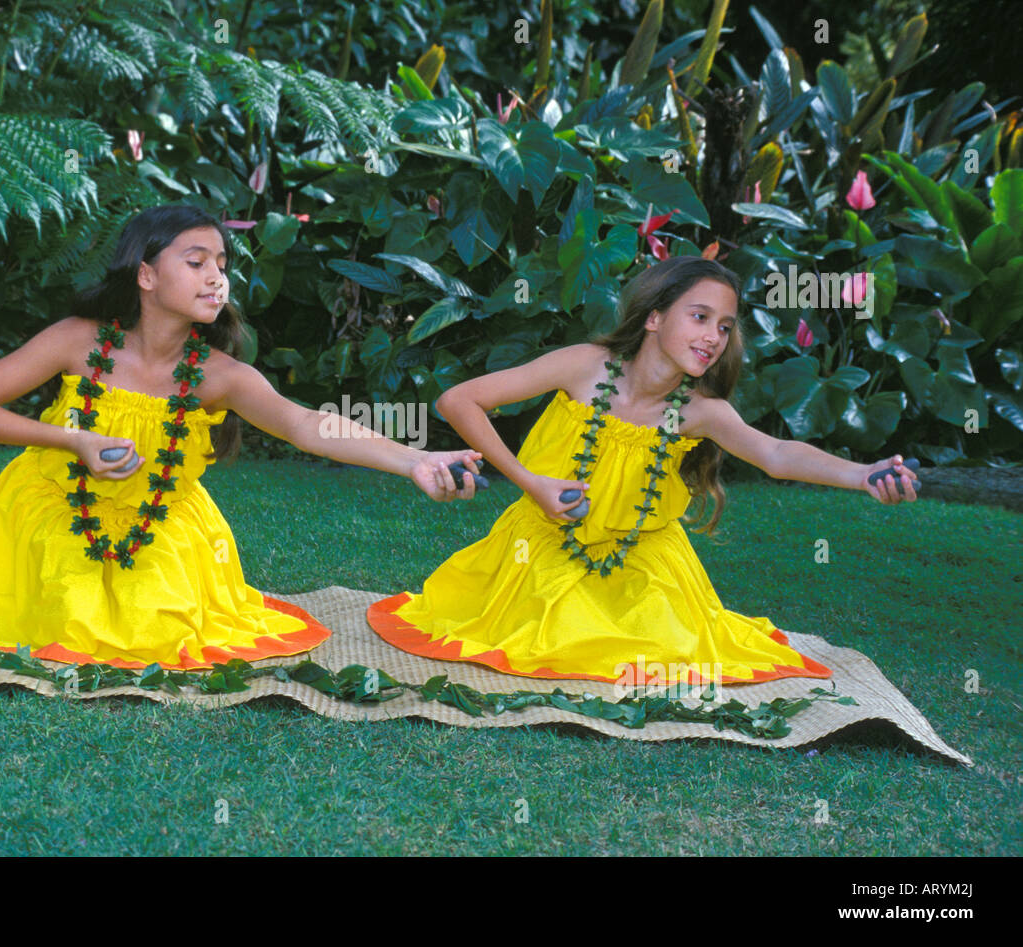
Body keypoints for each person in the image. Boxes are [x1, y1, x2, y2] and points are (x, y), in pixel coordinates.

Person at [0, 204, 482, 670]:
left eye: (221, 265)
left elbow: (306, 425)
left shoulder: (220, 376)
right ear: (145, 273)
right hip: (51, 507)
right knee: (63, 618)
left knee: (159, 633)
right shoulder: (78, 341)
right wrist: (72, 442)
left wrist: (415, 461)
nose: (216, 278)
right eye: (196, 262)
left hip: (161, 519)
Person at [368, 255, 919, 686]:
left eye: (724, 327)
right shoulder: (585, 367)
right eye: (700, 317)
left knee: (654, 657)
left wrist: (862, 474)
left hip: (644, 559)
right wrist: (530, 482)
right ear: (654, 317)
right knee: (533, 637)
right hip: (543, 544)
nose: (713, 337)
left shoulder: (701, 412)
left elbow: (775, 454)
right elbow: (459, 401)